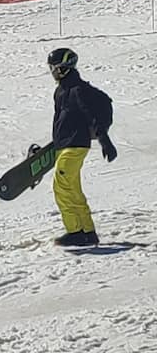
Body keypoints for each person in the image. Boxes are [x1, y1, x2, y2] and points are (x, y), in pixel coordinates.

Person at [48, 48, 116, 247]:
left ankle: (75, 231)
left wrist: (104, 140)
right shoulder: (61, 90)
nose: (52, 71)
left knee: (61, 186)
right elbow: (61, 121)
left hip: (76, 144)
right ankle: (88, 232)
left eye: (54, 68)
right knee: (73, 189)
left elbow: (92, 117)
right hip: (65, 144)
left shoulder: (78, 90)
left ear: (65, 68)